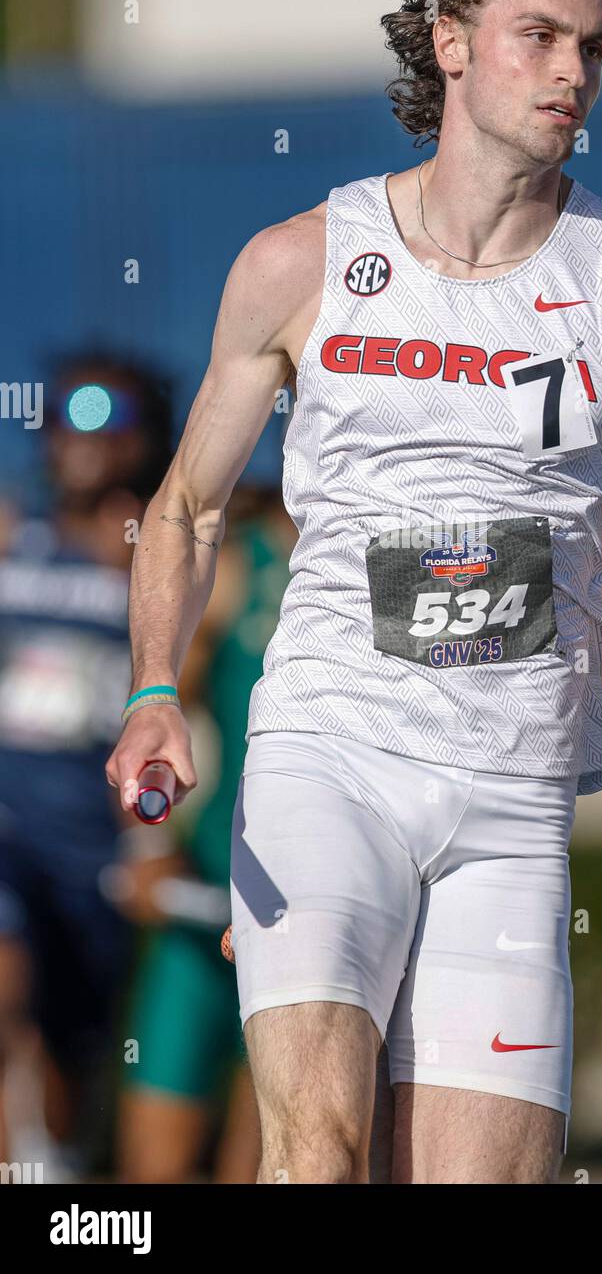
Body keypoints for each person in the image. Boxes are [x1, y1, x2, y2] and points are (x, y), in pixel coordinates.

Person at [106, 0, 602, 1185]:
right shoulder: (301, 263)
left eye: (593, 47)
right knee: (316, 1160)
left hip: (511, 790)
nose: (572, 72)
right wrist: (157, 689)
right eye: (539, 36)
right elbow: (183, 505)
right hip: (328, 752)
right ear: (448, 42)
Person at [0, 349, 172, 1178]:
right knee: (6, 979)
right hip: (9, 824)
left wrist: (146, 846)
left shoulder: (155, 561)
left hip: (92, 842)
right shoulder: (9, 537)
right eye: (68, 415)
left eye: (113, 419)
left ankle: (52, 1167)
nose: (86, 437)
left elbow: (190, 710)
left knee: (70, 1039)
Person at [114, 484, 296, 1183]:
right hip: (207, 892)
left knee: (277, 1154)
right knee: (151, 1167)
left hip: (309, 901)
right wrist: (148, 847)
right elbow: (153, 721)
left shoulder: (388, 561)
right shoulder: (242, 568)